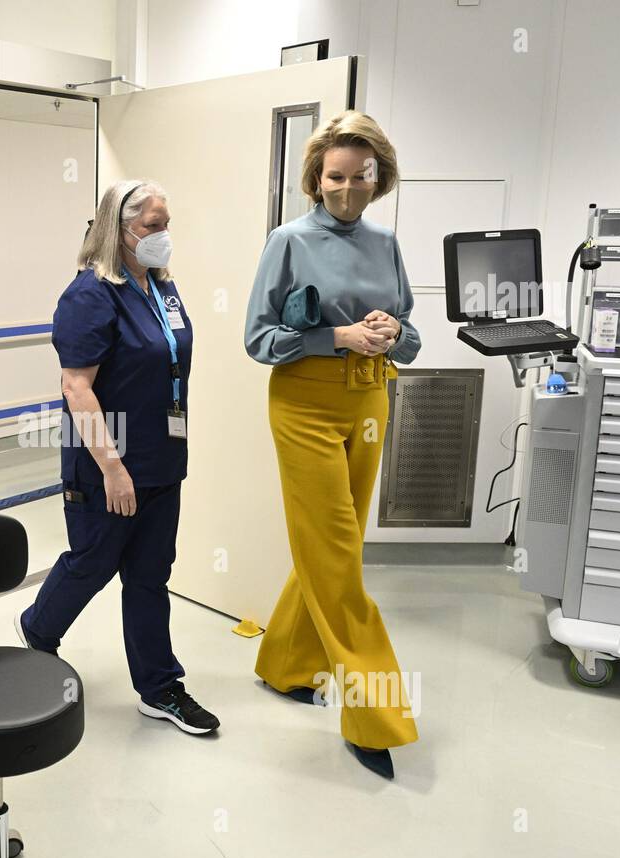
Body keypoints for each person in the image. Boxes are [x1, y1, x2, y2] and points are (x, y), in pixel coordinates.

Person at [244, 110, 421, 779]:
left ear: (379, 179)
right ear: (316, 178)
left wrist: (388, 330)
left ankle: (285, 662)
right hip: (306, 403)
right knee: (340, 558)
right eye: (335, 177)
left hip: (371, 396)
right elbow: (258, 338)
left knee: (329, 546)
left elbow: (412, 334)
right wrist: (336, 337)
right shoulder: (288, 240)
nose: (346, 189)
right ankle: (374, 712)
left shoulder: (386, 243)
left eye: (361, 177)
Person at [14, 180, 219, 735]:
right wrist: (113, 468)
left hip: (162, 454)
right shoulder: (90, 294)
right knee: (95, 561)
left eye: (166, 223)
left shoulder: (162, 288)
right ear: (119, 228)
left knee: (151, 574)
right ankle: (37, 629)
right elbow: (77, 388)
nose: (163, 235)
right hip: (108, 457)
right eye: (152, 225)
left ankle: (159, 687)